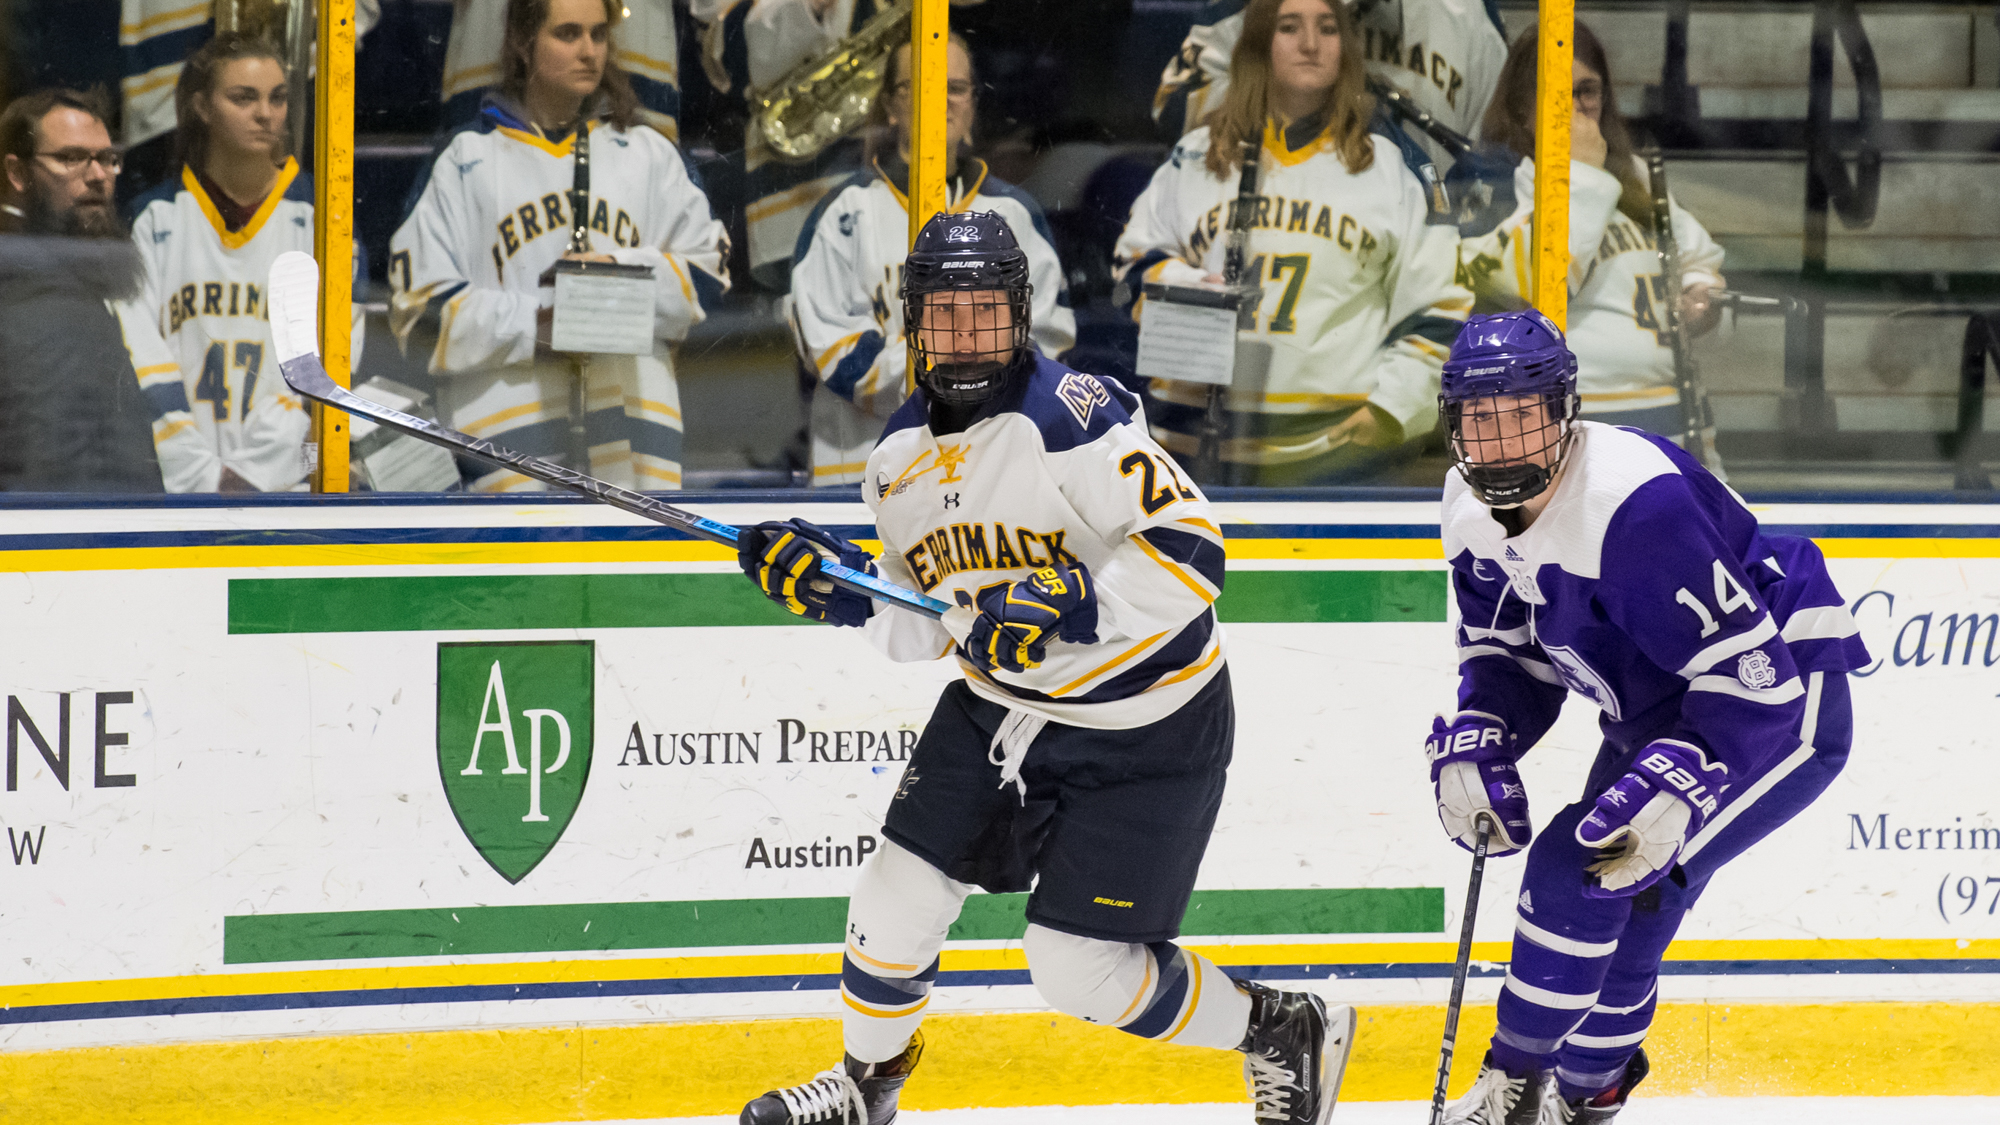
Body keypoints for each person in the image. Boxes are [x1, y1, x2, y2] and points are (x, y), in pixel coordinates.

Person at [732, 211, 1355, 1125]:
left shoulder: (1071, 419)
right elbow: (933, 623)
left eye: (987, 313)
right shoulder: (896, 463)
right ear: (914, 325)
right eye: (947, 316)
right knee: (893, 897)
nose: (969, 336)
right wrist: (840, 588)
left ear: (1021, 316)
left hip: (1150, 723)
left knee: (1077, 968)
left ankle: (1279, 1030)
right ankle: (867, 1089)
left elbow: (1192, 551)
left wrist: (1076, 602)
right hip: (1003, 714)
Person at [1426, 311, 1868, 1124]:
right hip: (1663, 708)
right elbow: (1509, 653)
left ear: (1564, 413)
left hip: (1778, 704)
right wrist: (1484, 730)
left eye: (1523, 414)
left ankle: (1512, 1089)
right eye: (1480, 420)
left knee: (1587, 864)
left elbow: (1755, 677)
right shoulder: (1464, 505)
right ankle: (1587, 1101)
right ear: (1453, 422)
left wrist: (1681, 782)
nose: (1503, 441)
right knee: (1629, 904)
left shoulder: (1633, 506)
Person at [1116, 0, 1472, 486]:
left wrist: (1388, 412)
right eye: (1289, 27)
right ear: (1259, 42)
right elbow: (1132, 265)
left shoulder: (1392, 167)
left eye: (1327, 28)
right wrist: (1195, 287)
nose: (1310, 43)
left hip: (1334, 458)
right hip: (1189, 450)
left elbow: (1441, 306)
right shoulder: (1196, 155)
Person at [390, 0, 729, 492]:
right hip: (506, 444)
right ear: (524, 44)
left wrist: (616, 274)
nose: (589, 51)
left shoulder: (649, 153)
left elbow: (710, 278)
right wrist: (537, 325)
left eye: (598, 34)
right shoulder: (465, 158)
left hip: (636, 442)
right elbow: (416, 313)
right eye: (568, 34)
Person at [788, 32, 1073, 487]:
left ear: (973, 104)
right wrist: (960, 369)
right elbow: (831, 350)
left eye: (955, 88)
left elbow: (1047, 339)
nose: (941, 101)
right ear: (891, 106)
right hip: (861, 466)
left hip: (991, 468)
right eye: (920, 85)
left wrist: (942, 370)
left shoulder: (1014, 215)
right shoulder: (842, 212)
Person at [1453, 22, 1726, 456]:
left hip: (1674, 422)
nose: (1577, 108)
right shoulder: (1498, 184)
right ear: (1523, 105)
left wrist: (1702, 296)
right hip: (1574, 428)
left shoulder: (1638, 176)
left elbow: (1698, 258)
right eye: (1559, 92)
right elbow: (1528, 288)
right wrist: (1580, 173)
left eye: (1588, 91)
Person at [130, 33, 361, 493]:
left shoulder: (324, 218)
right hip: (178, 489)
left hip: (288, 483)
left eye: (278, 99)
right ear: (201, 107)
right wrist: (200, 475)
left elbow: (331, 366)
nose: (265, 114)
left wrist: (251, 475)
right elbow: (140, 360)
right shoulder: (154, 219)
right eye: (243, 98)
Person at [0, 88, 212, 493]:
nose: (97, 175)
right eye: (70, 158)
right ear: (18, 173)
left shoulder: (86, 289)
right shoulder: (24, 292)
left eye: (107, 158)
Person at [1152, 0, 1507, 171]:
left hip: (1420, 253)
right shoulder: (1250, 6)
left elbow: (1500, 164)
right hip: (1274, 224)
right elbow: (1171, 111)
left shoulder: (1470, 13)